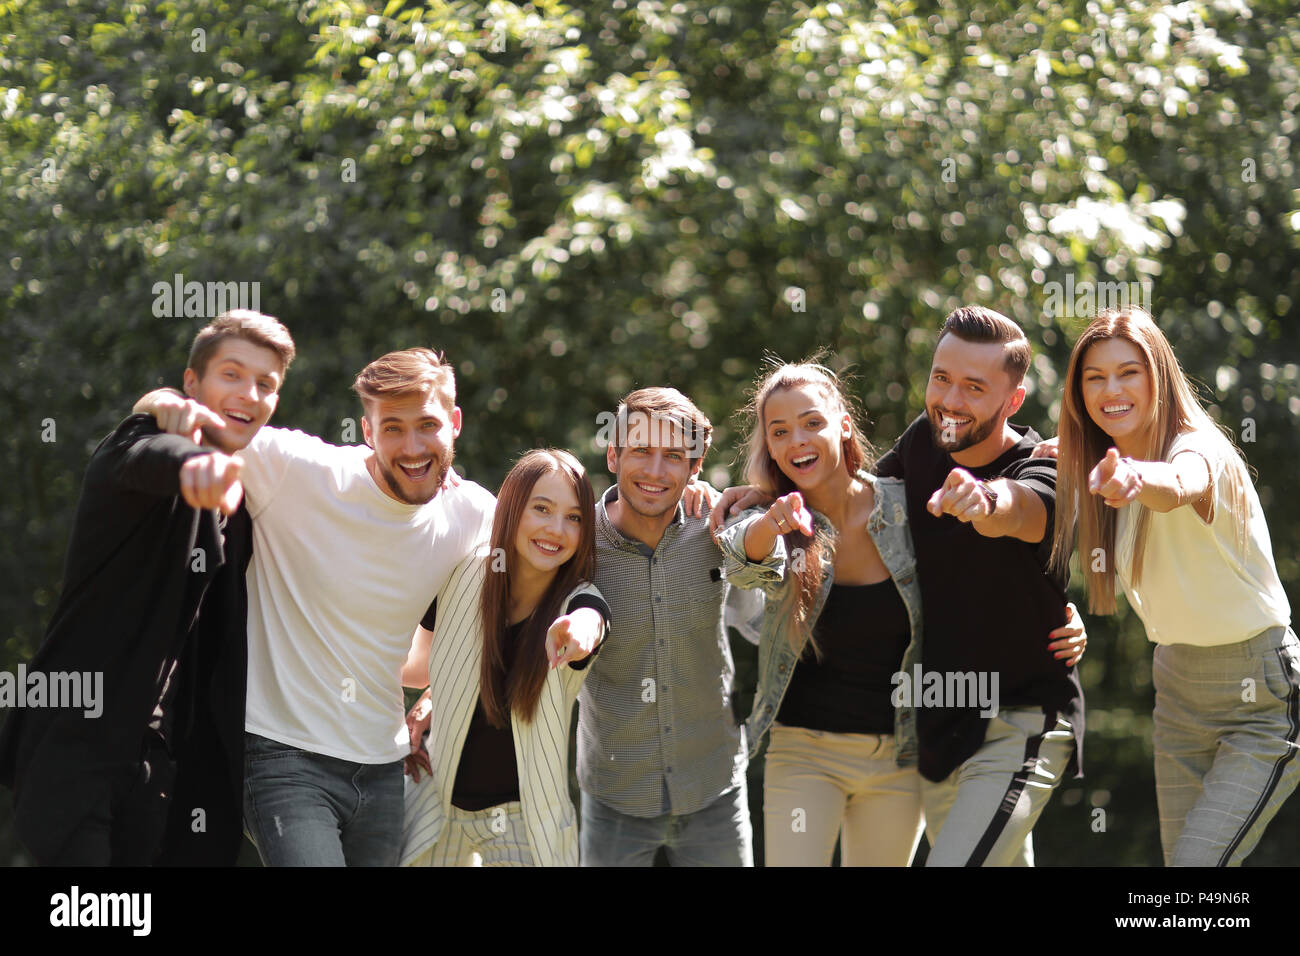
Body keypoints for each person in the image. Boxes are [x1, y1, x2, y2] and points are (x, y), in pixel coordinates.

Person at [711, 358, 1086, 866]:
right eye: (780, 431)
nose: (797, 439)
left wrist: (1054, 616)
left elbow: (988, 567)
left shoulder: (905, 505)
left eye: (812, 422)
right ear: (770, 446)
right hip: (804, 750)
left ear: (843, 423)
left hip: (900, 754)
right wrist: (766, 523)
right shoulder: (773, 520)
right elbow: (743, 561)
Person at [132, 346, 496, 866]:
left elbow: (509, 611)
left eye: (427, 426)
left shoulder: (472, 512)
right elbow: (166, 415)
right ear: (367, 431)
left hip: (388, 767)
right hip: (281, 757)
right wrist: (167, 406)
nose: (412, 446)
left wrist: (441, 691)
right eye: (392, 428)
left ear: (454, 423)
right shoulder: (298, 471)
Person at [0, 310, 295, 866]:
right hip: (76, 746)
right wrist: (197, 466)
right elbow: (156, 455)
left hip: (163, 769)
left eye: (266, 384)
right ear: (192, 383)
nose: (248, 393)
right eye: (231, 374)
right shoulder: (132, 447)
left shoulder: (255, 496)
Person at [1049, 306, 1298, 866]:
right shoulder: (1099, 460)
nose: (1111, 389)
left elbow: (1179, 484)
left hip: (1258, 695)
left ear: (1158, 374)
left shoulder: (1196, 447)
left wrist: (1137, 479)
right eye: (1095, 377)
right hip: (1178, 693)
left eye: (1128, 372)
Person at [400, 449, 611, 866]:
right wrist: (420, 706)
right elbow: (415, 666)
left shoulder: (578, 600)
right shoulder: (463, 575)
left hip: (525, 822)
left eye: (574, 517)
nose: (556, 528)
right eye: (542, 509)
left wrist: (579, 630)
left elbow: (593, 621)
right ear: (512, 508)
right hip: (434, 803)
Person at [578, 387, 757, 866]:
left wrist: (759, 509)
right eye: (641, 451)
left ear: (694, 465)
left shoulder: (717, 531)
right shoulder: (578, 547)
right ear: (614, 454)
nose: (656, 472)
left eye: (674, 456)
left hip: (713, 787)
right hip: (614, 793)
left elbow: (763, 620)